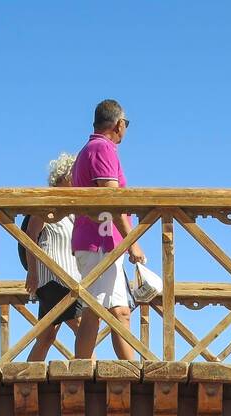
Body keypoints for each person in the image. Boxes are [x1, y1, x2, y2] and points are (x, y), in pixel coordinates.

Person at [71, 99, 145, 360]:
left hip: (97, 241)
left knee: (116, 311)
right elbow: (111, 201)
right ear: (118, 124)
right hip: (100, 241)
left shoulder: (87, 150)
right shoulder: (104, 149)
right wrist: (132, 241)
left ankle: (130, 376)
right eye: (126, 124)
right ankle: (125, 377)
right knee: (99, 310)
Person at [24, 153, 82, 361]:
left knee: (48, 335)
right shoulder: (47, 203)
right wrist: (32, 272)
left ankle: (27, 378)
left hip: (70, 276)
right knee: (84, 326)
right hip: (55, 277)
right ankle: (88, 377)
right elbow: (30, 235)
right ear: (65, 177)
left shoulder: (75, 209)